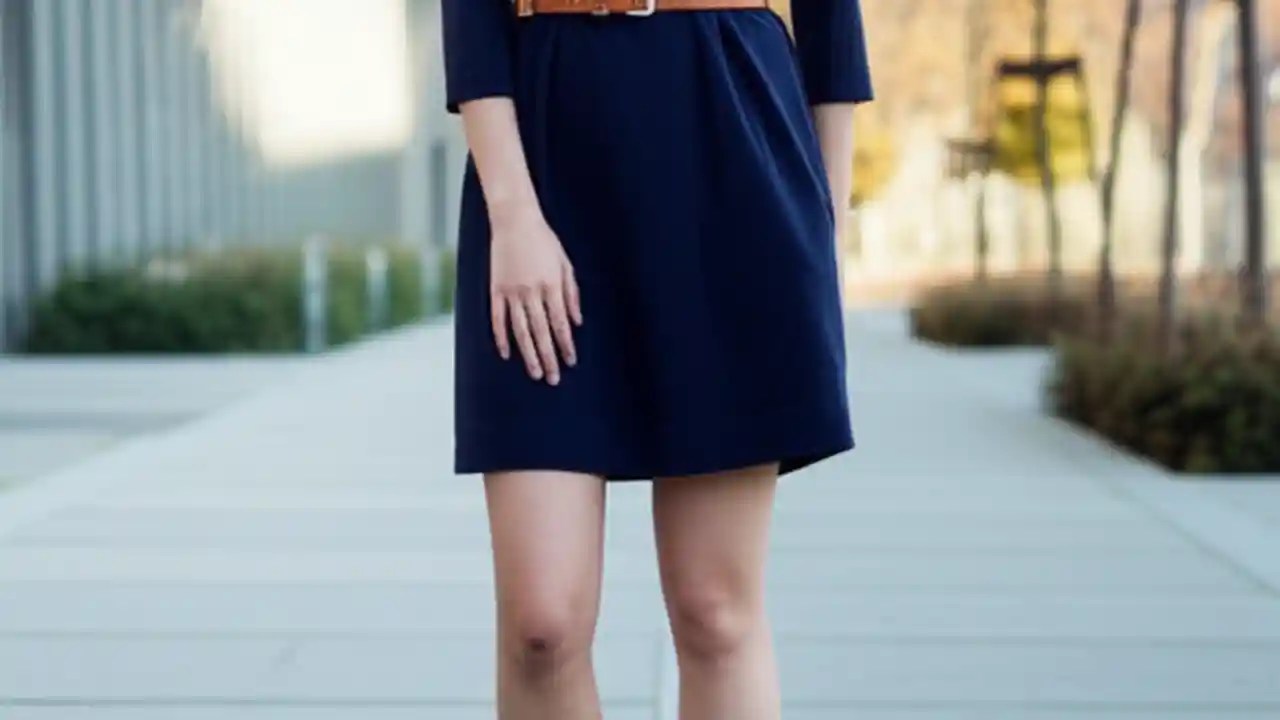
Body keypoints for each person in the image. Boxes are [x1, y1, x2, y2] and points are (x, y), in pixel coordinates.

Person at [442, 0, 872, 717]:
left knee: (716, 611)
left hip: (730, 147)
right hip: (546, 156)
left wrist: (826, 218)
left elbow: (833, 20)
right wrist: (512, 213)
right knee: (541, 626)